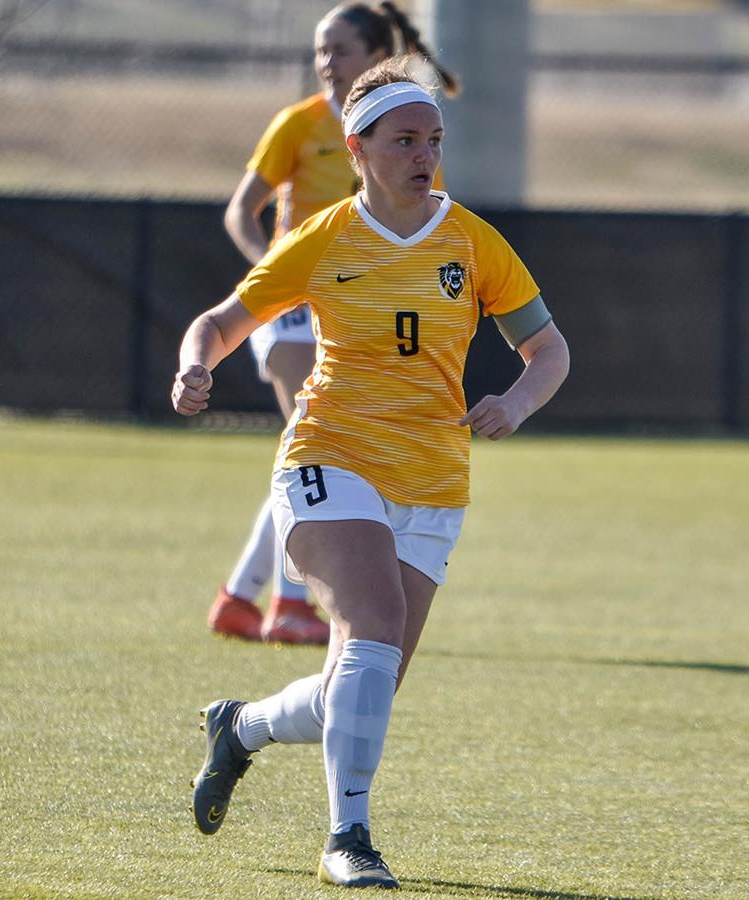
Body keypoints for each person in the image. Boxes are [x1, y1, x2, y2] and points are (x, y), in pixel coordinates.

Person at [173, 60, 570, 889]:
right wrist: (195, 367)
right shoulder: (322, 238)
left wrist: (518, 403)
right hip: (329, 455)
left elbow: (548, 350)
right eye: (403, 140)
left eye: (432, 139)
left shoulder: (472, 240)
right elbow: (220, 321)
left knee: (362, 680)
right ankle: (347, 838)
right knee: (373, 628)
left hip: (433, 481)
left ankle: (239, 727)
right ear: (357, 148)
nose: (423, 155)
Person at [208, 1, 460, 646]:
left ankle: (240, 596)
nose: (326, 62)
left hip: (358, 312)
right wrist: (276, 272)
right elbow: (243, 212)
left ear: (376, 58)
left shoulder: (406, 137)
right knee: (314, 445)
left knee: (322, 454)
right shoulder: (297, 124)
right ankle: (289, 603)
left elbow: (423, 225)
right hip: (296, 310)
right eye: (321, 50)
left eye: (340, 50)